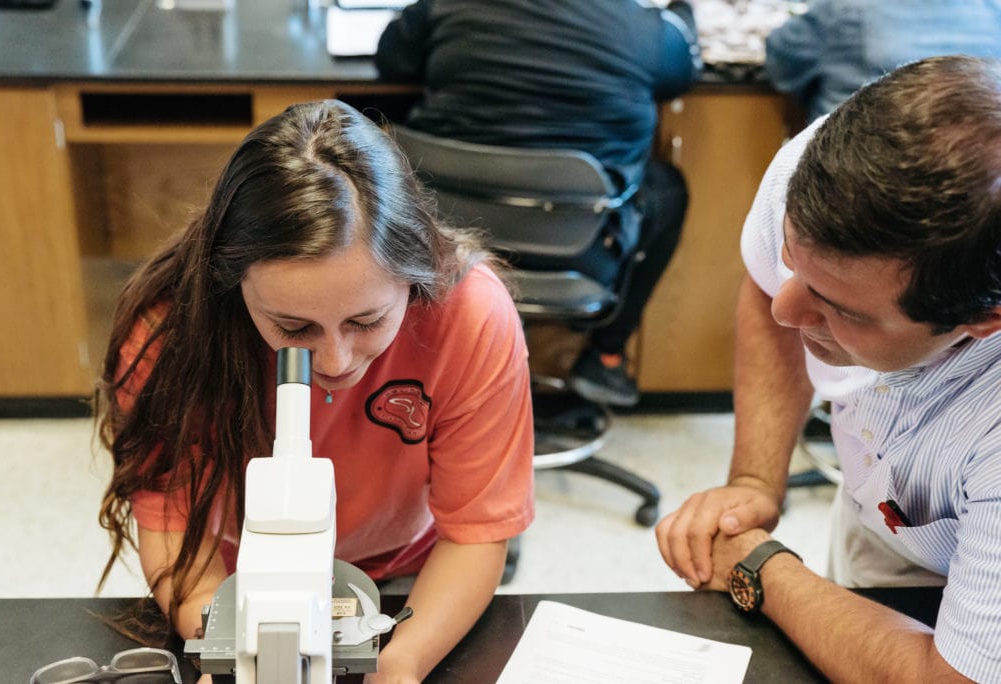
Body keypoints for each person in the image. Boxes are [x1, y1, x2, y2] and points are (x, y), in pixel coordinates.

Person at [94, 99, 535, 683]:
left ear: (412, 275)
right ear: (233, 285)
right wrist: (227, 645)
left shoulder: (470, 316)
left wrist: (400, 661)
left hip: (411, 583)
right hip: (237, 580)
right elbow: (176, 524)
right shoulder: (169, 331)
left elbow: (475, 533)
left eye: (366, 321)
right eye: (294, 328)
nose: (334, 360)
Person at [656, 55, 1001, 682]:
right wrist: (756, 479)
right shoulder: (819, 164)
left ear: (982, 320)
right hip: (891, 514)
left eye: (838, 308)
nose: (789, 309)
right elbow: (767, 293)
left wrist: (759, 565)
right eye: (794, 257)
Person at [374, 0, 703, 407]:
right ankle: (605, 355)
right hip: (582, 252)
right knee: (667, 189)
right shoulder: (641, 27)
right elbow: (684, 69)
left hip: (447, 245)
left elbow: (392, 59)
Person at [765, 0, 1001, 122]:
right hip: (974, 183)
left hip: (856, 178)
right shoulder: (993, 12)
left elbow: (782, 62)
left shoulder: (843, 9)